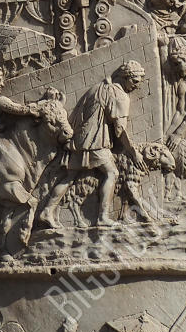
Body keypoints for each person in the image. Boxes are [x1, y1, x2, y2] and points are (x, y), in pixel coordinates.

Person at [36, 62, 145, 228]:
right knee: (112, 173)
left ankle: (47, 211)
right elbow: (120, 130)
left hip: (79, 139)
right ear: (125, 77)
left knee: (69, 177)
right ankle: (103, 217)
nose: (136, 86)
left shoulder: (98, 87)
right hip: (95, 141)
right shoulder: (118, 94)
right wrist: (133, 152)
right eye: (135, 81)